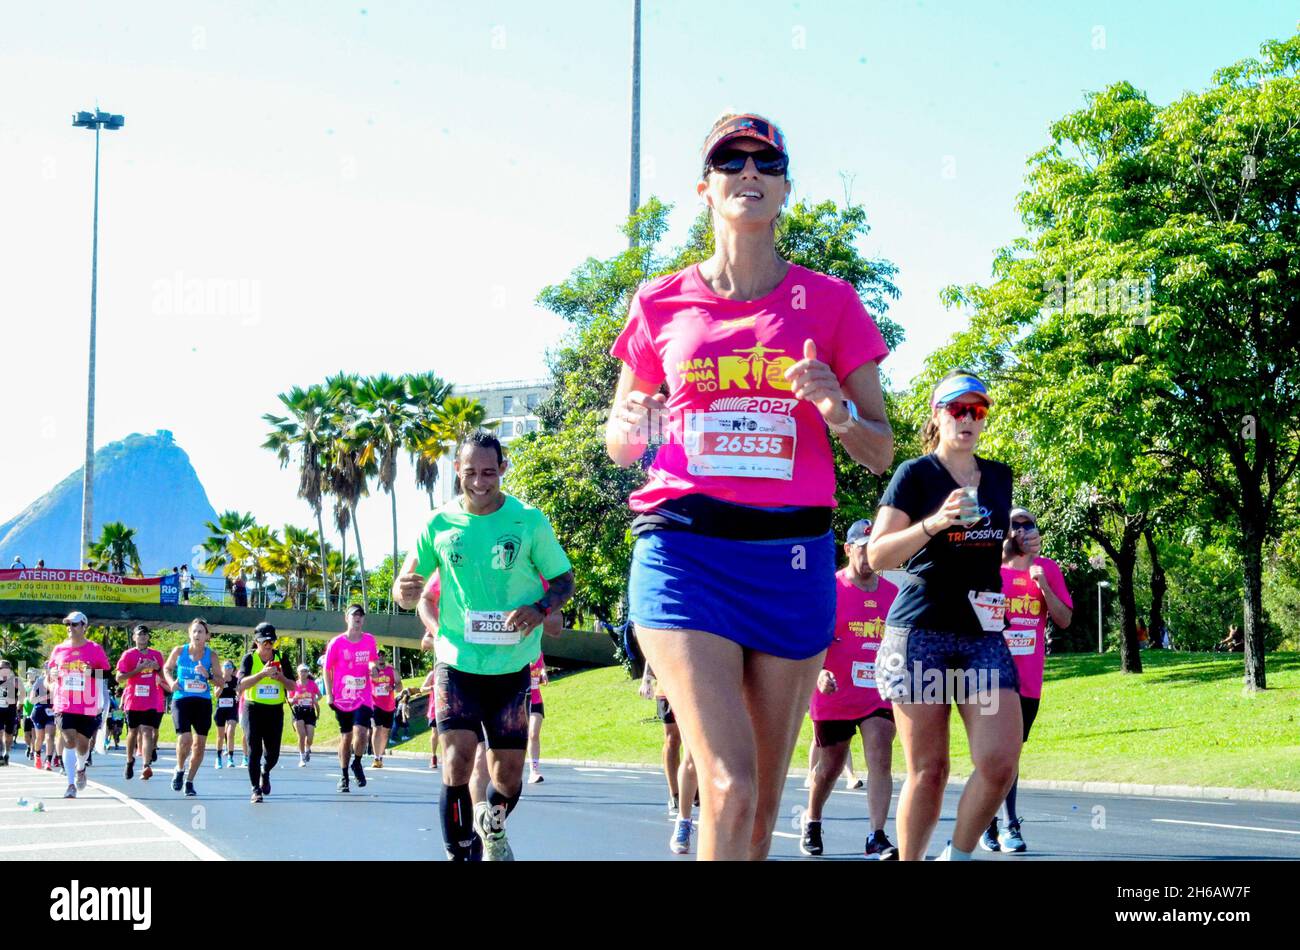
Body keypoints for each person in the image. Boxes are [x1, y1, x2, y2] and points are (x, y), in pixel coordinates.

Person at [605, 113, 894, 860]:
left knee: (761, 804)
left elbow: (880, 451)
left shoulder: (832, 304)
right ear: (706, 189)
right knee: (727, 784)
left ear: (785, 188)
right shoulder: (659, 302)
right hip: (685, 551)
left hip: (790, 560)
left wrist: (835, 409)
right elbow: (618, 443)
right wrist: (635, 421)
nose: (748, 172)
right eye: (730, 162)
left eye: (765, 162)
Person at [392, 428, 574, 861]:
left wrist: (539, 606)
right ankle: (460, 851)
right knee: (456, 762)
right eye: (470, 472)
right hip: (456, 663)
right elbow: (407, 588)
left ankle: (489, 822)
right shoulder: (439, 523)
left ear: (503, 470)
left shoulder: (529, 521)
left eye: (489, 472)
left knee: (508, 778)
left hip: (512, 667)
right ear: (457, 471)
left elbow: (565, 581)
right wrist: (405, 592)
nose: (479, 481)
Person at [868, 369, 1021, 861]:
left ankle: (957, 856)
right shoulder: (915, 475)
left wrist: (1017, 551)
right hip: (921, 632)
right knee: (929, 769)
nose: (968, 419)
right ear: (938, 415)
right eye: (958, 409)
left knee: (999, 763)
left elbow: (985, 550)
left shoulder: (999, 476)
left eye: (978, 410)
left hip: (981, 632)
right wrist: (933, 523)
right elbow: (878, 556)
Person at [800, 519, 900, 860]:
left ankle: (877, 834)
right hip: (835, 691)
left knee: (880, 754)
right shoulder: (829, 589)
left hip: (878, 692)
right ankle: (812, 819)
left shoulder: (892, 595)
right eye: (863, 548)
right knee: (830, 765)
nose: (871, 556)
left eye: (876, 549)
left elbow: (902, 643)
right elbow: (809, 640)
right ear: (848, 549)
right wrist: (818, 674)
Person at [982, 508, 1073, 854]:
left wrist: (1043, 586)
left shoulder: (1047, 569)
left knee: (1010, 753)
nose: (1021, 530)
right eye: (1014, 524)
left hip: (1029, 679)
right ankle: (1009, 824)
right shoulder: (990, 569)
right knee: (999, 751)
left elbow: (1064, 619)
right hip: (991, 675)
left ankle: (988, 820)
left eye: (1028, 524)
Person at [46, 611, 111, 798]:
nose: (70, 628)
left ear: (84, 627)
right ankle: (70, 784)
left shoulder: (95, 649)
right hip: (64, 703)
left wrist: (91, 672)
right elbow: (49, 677)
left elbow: (107, 675)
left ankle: (81, 767)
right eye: (68, 625)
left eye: (74, 624)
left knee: (83, 744)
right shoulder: (59, 650)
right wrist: (52, 680)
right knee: (69, 739)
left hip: (88, 704)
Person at [163, 617, 225, 796]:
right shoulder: (179, 651)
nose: (197, 634)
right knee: (185, 740)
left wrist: (208, 675)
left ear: (207, 636)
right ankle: (180, 769)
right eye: (194, 631)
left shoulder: (211, 655)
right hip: (181, 698)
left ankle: (189, 781)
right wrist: (170, 682)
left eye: (201, 632)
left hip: (202, 702)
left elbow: (221, 681)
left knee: (199, 745)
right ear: (189, 633)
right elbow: (167, 668)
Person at [238, 622, 295, 803]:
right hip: (253, 708)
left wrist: (281, 677)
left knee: (273, 753)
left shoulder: (281, 658)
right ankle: (255, 789)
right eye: (264, 642)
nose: (268, 645)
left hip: (274, 710)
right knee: (254, 750)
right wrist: (261, 675)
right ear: (256, 642)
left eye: (271, 641)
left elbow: (294, 686)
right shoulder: (249, 659)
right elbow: (240, 685)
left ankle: (265, 770)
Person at [324, 604, 377, 792]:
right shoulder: (337, 642)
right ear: (347, 618)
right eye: (355, 615)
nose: (358, 618)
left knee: (362, 732)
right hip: (342, 697)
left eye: (361, 615)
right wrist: (329, 694)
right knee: (346, 737)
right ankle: (344, 775)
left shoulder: (370, 640)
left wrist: (372, 667)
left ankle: (358, 762)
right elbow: (327, 668)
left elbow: (373, 660)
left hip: (363, 695)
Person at [116, 624, 166, 780]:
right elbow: (119, 678)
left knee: (147, 731)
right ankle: (129, 760)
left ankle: (146, 765)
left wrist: (157, 668)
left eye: (145, 634)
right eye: (139, 634)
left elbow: (164, 674)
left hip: (151, 699)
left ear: (148, 637)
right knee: (133, 731)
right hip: (134, 699)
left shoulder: (156, 654)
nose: (143, 637)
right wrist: (138, 669)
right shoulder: (128, 655)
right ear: (134, 637)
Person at [639, 663, 683, 814]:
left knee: (695, 741)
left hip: (692, 688)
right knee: (672, 739)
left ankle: (694, 787)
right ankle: (675, 794)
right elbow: (653, 650)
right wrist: (646, 679)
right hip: (666, 691)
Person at [369, 649, 399, 768]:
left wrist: (392, 687)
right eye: (378, 655)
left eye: (383, 655)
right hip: (375, 704)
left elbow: (400, 685)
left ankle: (380, 756)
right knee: (376, 729)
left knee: (385, 733)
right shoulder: (370, 670)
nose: (381, 657)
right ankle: (376, 758)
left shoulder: (391, 671)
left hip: (389, 706)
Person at [289, 664, 321, 765]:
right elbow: (288, 700)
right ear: (298, 673)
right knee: (301, 735)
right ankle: (302, 758)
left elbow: (319, 696)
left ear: (308, 673)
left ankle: (307, 749)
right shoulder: (293, 684)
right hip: (298, 711)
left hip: (309, 711)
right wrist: (293, 699)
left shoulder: (312, 684)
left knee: (310, 737)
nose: (303, 673)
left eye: (305, 671)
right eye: (301, 671)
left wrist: (315, 699)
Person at [213, 660, 240, 768]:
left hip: (232, 709)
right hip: (220, 709)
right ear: (222, 668)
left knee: (230, 731)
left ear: (233, 669)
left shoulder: (236, 680)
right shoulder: (219, 679)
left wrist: (238, 694)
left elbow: (239, 691)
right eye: (225, 666)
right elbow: (216, 694)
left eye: (230, 666)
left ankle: (230, 757)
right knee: (220, 736)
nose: (228, 668)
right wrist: (222, 683)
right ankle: (218, 758)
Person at [526, 653, 547, 784]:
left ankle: (534, 771)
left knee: (534, 734)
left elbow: (542, 667)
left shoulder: (537, 652)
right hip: (519, 701)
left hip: (536, 701)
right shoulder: (518, 653)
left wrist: (543, 673)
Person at [28, 667, 54, 770]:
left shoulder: (57, 681)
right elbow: (31, 700)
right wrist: (47, 697)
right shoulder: (39, 681)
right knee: (40, 737)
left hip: (51, 712)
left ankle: (48, 761)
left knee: (49, 737)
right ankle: (37, 756)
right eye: (48, 669)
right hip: (39, 711)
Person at [0, 660, 19, 765]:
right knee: (0, 732)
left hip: (10, 710)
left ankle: (7, 752)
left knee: (8, 734)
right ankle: (0, 754)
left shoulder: (14, 680)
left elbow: (21, 695)